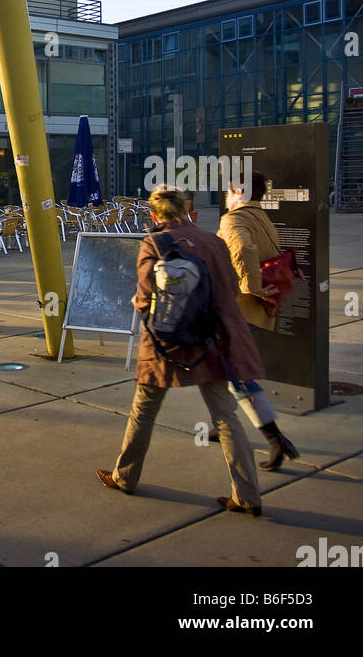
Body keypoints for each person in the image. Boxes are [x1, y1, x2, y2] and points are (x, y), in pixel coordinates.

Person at [95, 186, 265, 515]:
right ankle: (247, 495)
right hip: (210, 341)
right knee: (225, 416)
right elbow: (230, 289)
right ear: (187, 210)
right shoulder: (214, 242)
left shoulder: (155, 243)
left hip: (165, 344)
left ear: (156, 215)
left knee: (144, 410)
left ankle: (125, 476)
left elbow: (144, 298)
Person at [217, 173, 299, 471]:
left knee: (235, 374)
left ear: (238, 191)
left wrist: (249, 286)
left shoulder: (234, 219)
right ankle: (221, 422)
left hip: (241, 308)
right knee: (220, 368)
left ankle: (274, 437)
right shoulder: (261, 217)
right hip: (256, 310)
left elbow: (243, 250)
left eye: (228, 191)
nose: (226, 196)